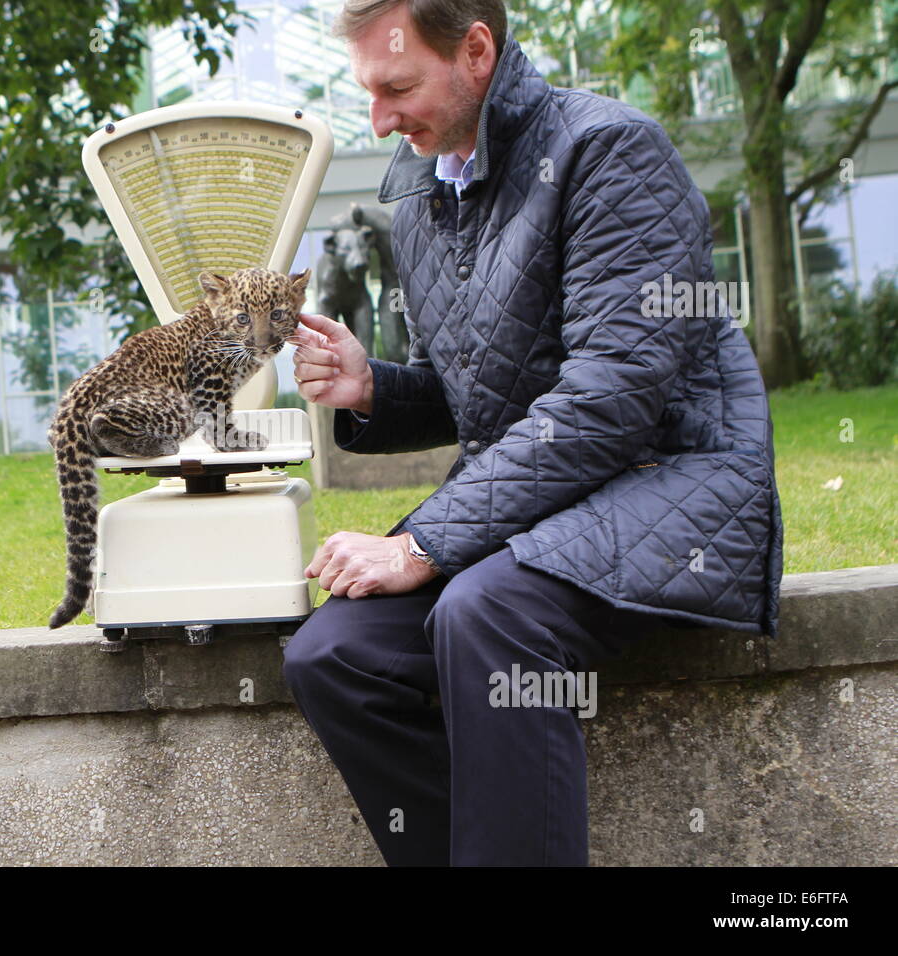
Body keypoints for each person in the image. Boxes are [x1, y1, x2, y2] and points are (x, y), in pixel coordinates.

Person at [283, 0, 784, 867]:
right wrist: (373, 389)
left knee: (484, 612)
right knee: (332, 656)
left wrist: (422, 545)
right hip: (542, 505)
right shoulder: (424, 200)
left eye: (397, 88)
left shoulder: (609, 151)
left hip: (671, 481)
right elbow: (477, 390)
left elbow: (612, 395)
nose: (380, 121)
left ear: (475, 51)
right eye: (368, 93)